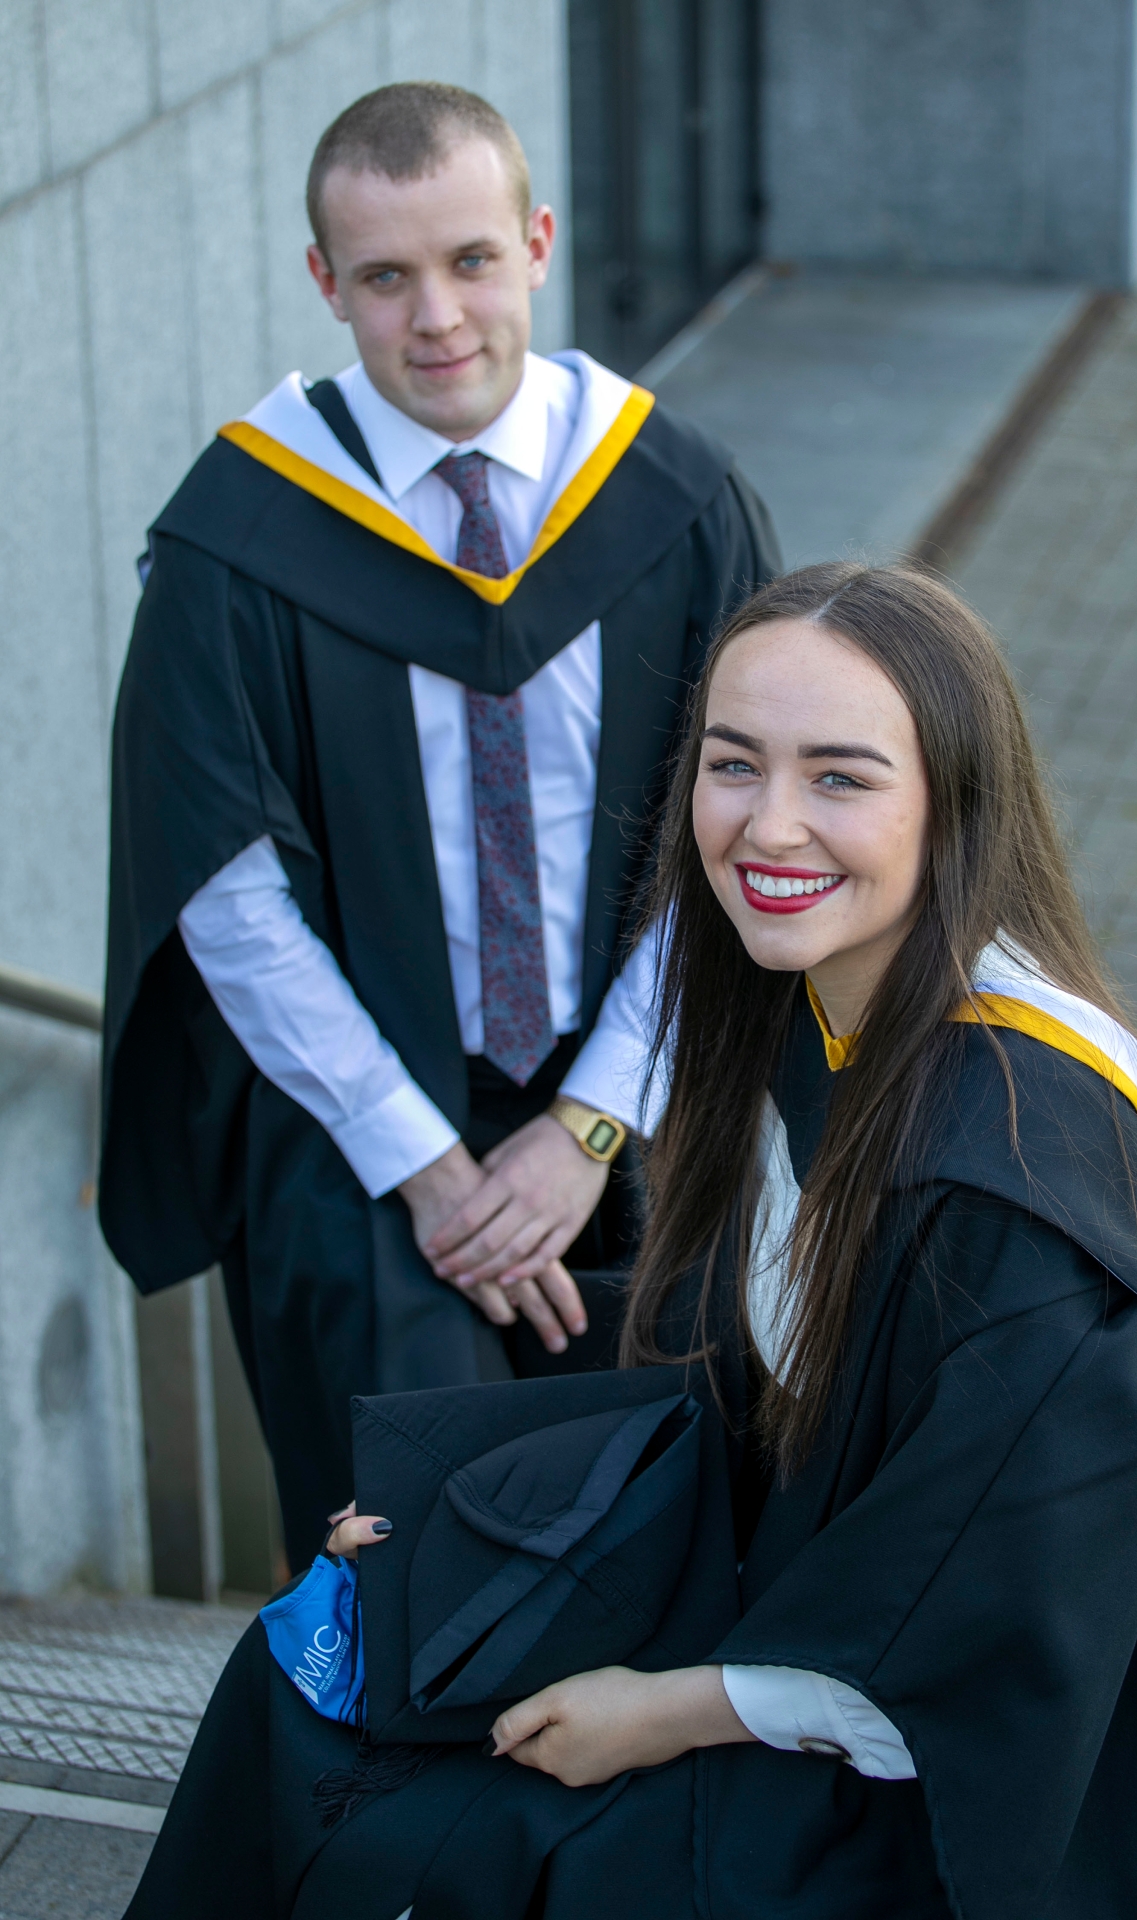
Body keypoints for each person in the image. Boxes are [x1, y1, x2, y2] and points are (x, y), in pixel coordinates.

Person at [123, 564, 1137, 1920]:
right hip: (816, 1613)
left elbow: (1000, 1606)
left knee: (426, 1820)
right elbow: (746, 1363)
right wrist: (442, 1518)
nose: (770, 825)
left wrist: (667, 1712)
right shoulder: (808, 1013)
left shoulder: (1014, 1182)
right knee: (313, 1662)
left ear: (955, 804)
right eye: (733, 764)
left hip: (984, 1785)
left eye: (843, 778)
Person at [99, 82, 779, 1570]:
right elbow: (223, 889)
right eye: (387, 277)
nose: (438, 318)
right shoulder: (242, 536)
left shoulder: (674, 499)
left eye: (471, 260)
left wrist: (590, 1126)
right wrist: (429, 1165)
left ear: (538, 242)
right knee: (396, 1571)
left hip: (637, 1103)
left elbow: (731, 846)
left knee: (659, 1545)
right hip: (356, 1138)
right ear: (323, 285)